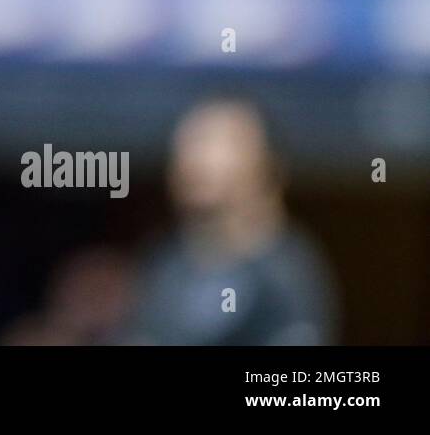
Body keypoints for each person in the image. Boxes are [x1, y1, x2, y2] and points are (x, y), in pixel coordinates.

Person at [126, 97, 339, 345]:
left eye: (220, 143)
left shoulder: (284, 274)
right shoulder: (166, 266)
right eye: (190, 143)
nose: (198, 158)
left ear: (269, 166)